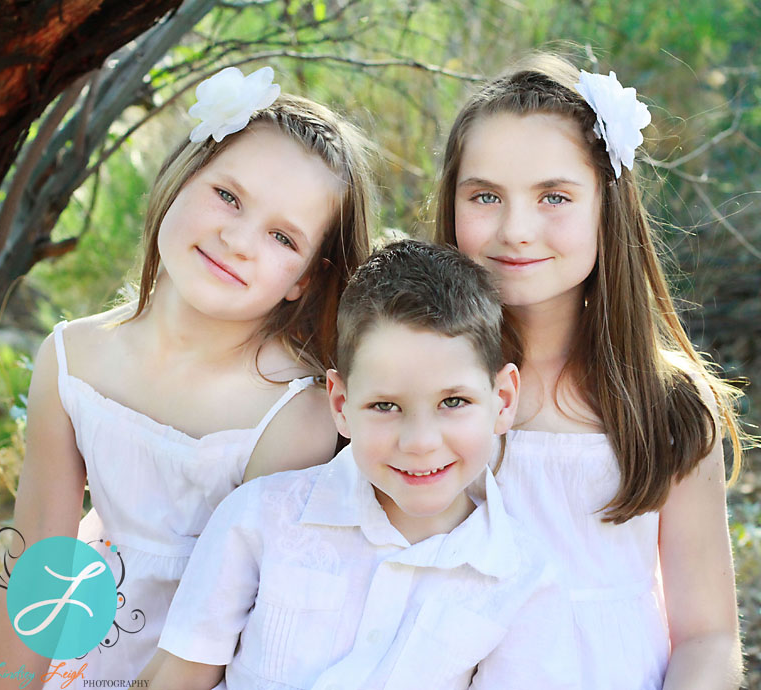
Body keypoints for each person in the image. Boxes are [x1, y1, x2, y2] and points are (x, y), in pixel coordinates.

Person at [0, 66, 373, 688]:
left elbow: (221, 628)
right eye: (228, 196)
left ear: (304, 278)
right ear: (182, 176)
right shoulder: (74, 358)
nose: (238, 239)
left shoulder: (294, 413)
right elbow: (37, 565)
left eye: (281, 236)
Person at [139, 240, 581, 690]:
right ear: (341, 403)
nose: (420, 443)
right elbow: (176, 677)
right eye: (386, 406)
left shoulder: (521, 580)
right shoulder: (258, 520)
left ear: (503, 399)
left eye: (453, 401)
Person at [435, 53, 747, 689]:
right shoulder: (414, 383)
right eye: (486, 196)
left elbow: (709, 637)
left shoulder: (668, 407)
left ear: (608, 205)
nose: (516, 230)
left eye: (554, 196)